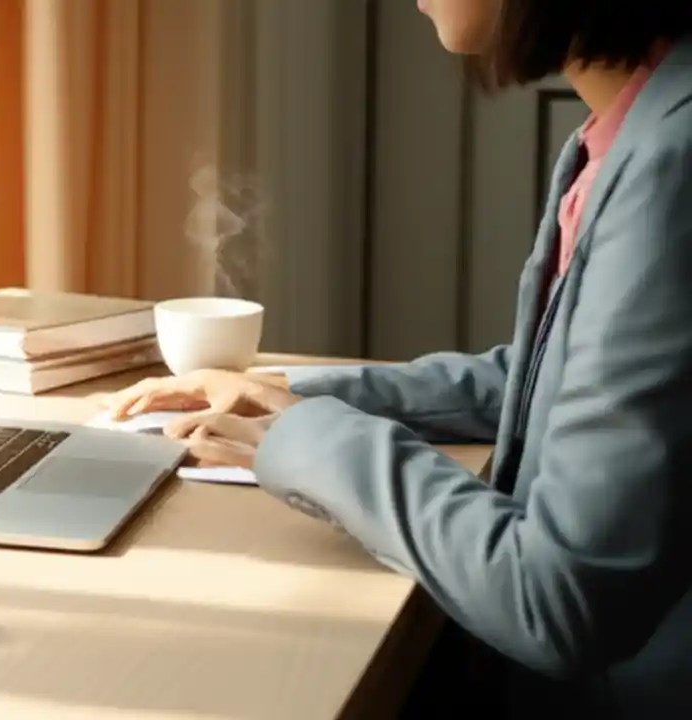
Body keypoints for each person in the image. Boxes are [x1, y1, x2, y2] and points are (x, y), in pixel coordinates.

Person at [106, 2, 692, 717]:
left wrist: (312, 437)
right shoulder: (629, 131)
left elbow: (559, 598)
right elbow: (546, 380)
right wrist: (286, 391)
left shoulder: (671, 167)